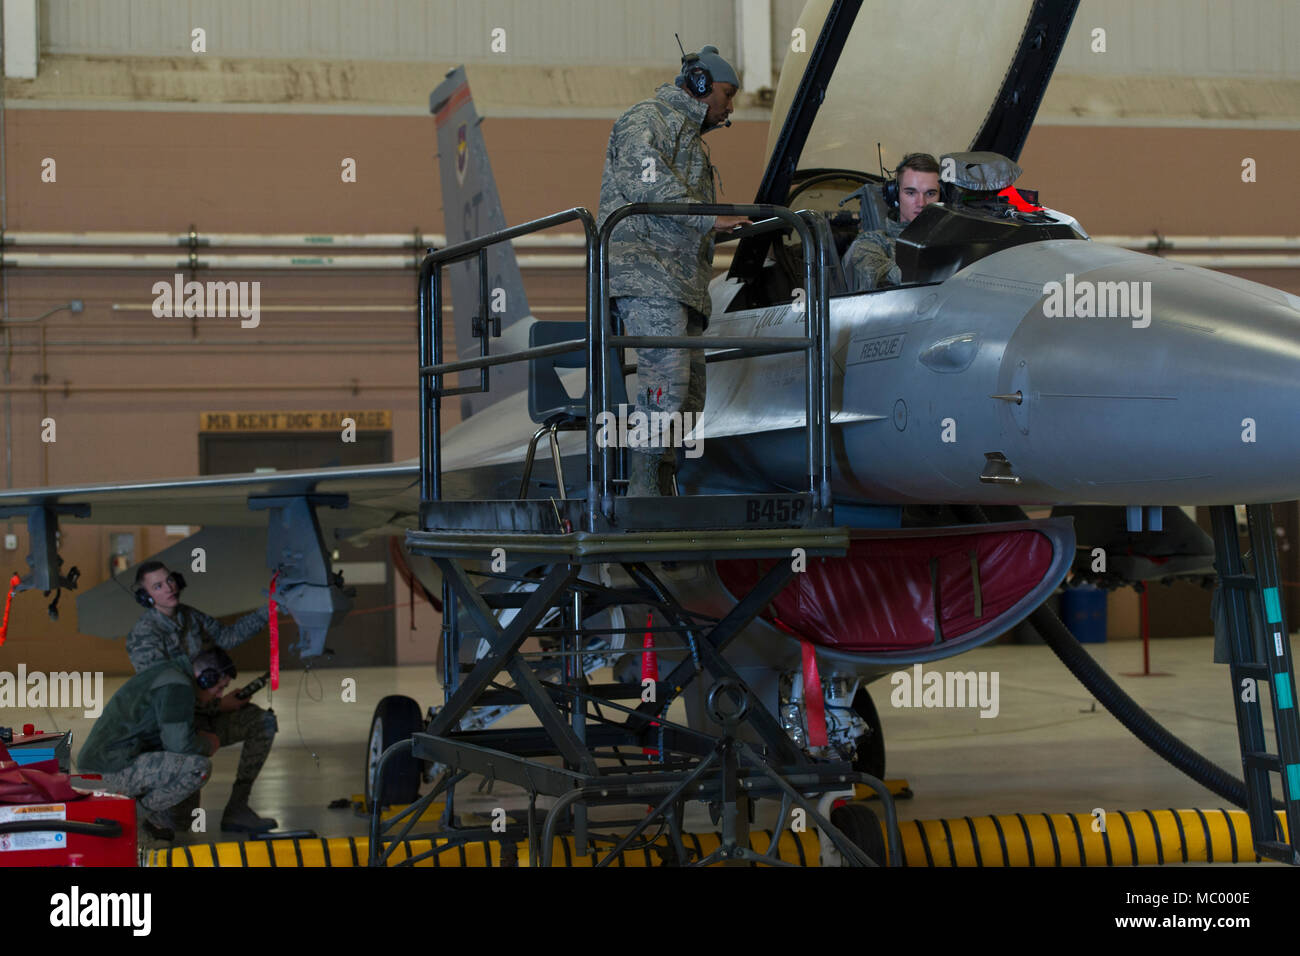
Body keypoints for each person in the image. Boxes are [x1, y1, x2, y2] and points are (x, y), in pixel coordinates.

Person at [597, 44, 751, 496]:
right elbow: (647, 181)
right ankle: (643, 488)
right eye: (727, 93)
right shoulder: (646, 120)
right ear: (702, 85)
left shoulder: (690, 140)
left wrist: (724, 226)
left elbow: (681, 215)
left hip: (682, 282)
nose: (730, 105)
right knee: (664, 385)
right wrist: (711, 215)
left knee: (689, 395)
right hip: (648, 274)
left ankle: (660, 477)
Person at [125, 561, 278, 833]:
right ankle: (150, 813)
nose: (169, 587)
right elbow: (166, 695)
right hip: (173, 730)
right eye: (158, 586)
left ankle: (238, 808)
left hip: (204, 715)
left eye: (170, 580)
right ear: (145, 596)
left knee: (262, 722)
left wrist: (271, 609)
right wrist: (220, 702)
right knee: (180, 825)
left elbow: (228, 637)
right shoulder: (144, 635)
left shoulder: (189, 617)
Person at [77, 648, 235, 841]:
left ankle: (146, 821)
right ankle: (133, 816)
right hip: (109, 769)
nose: (219, 695)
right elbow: (179, 746)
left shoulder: (170, 674)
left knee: (179, 803)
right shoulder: (178, 685)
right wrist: (208, 744)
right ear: (205, 679)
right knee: (198, 768)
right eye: (219, 687)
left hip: (105, 763)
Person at [843, 152, 942, 291]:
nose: (921, 203)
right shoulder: (871, 244)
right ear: (895, 195)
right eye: (911, 193)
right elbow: (873, 278)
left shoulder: (956, 240)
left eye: (930, 193)